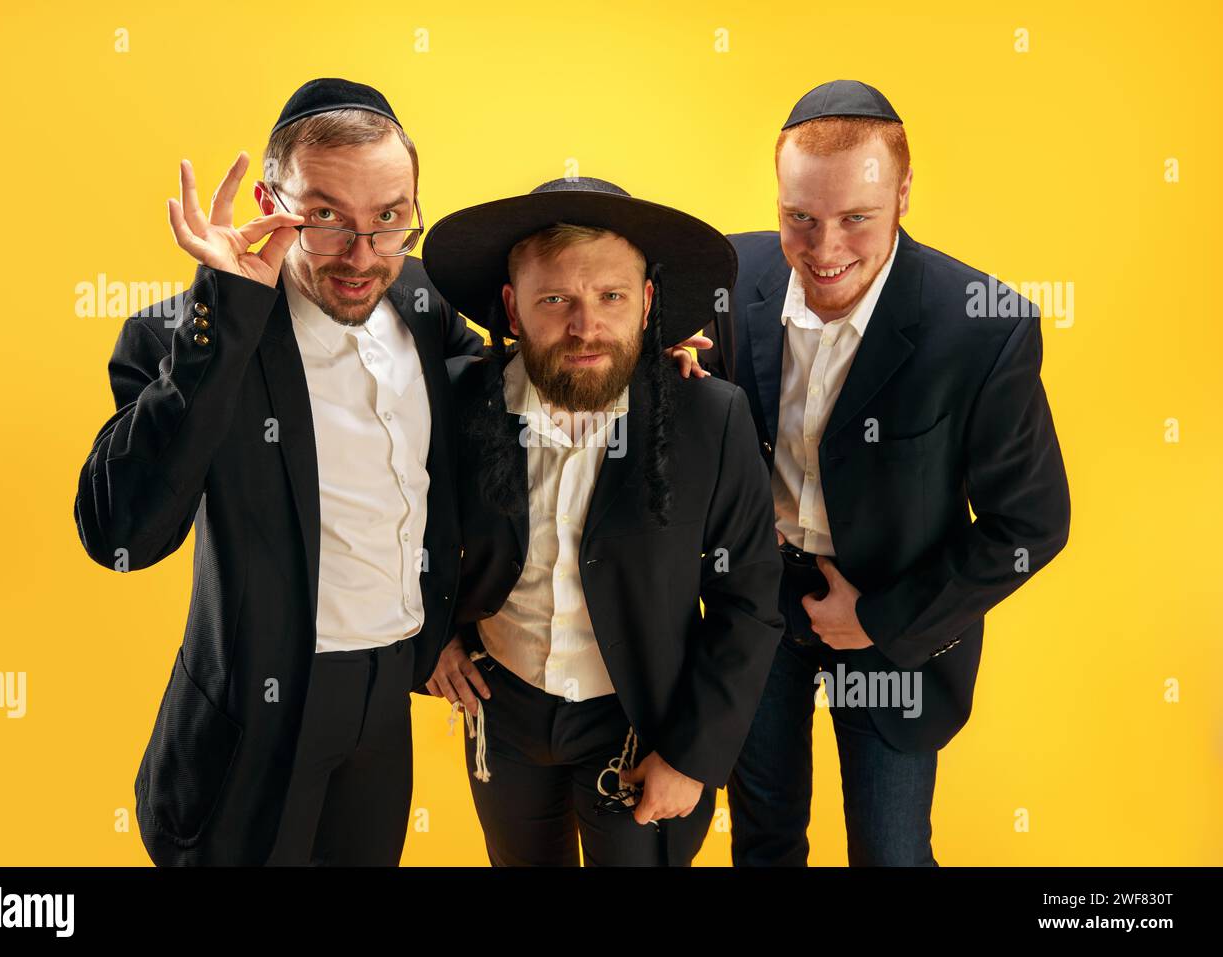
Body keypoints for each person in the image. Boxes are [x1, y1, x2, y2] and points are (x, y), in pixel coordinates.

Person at [73, 78, 486, 865]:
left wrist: (644, 373)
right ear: (270, 200)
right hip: (255, 718)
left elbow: (493, 412)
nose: (364, 257)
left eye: (390, 219)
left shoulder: (426, 298)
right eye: (325, 218)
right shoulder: (180, 334)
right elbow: (120, 533)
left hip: (388, 699)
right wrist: (223, 314)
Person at [695, 80, 1071, 865]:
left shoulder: (984, 328)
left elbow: (1032, 524)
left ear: (903, 195)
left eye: (855, 219)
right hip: (760, 609)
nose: (823, 249)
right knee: (762, 842)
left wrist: (881, 617)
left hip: (890, 626)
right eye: (800, 217)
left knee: (890, 852)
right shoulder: (728, 277)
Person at [420, 177, 785, 865]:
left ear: (647, 304)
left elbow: (751, 602)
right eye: (554, 299)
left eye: (611, 296)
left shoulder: (711, 418)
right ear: (513, 307)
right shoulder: (460, 402)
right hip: (503, 711)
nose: (585, 327)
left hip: (641, 721)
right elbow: (409, 530)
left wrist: (693, 753)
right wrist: (432, 639)